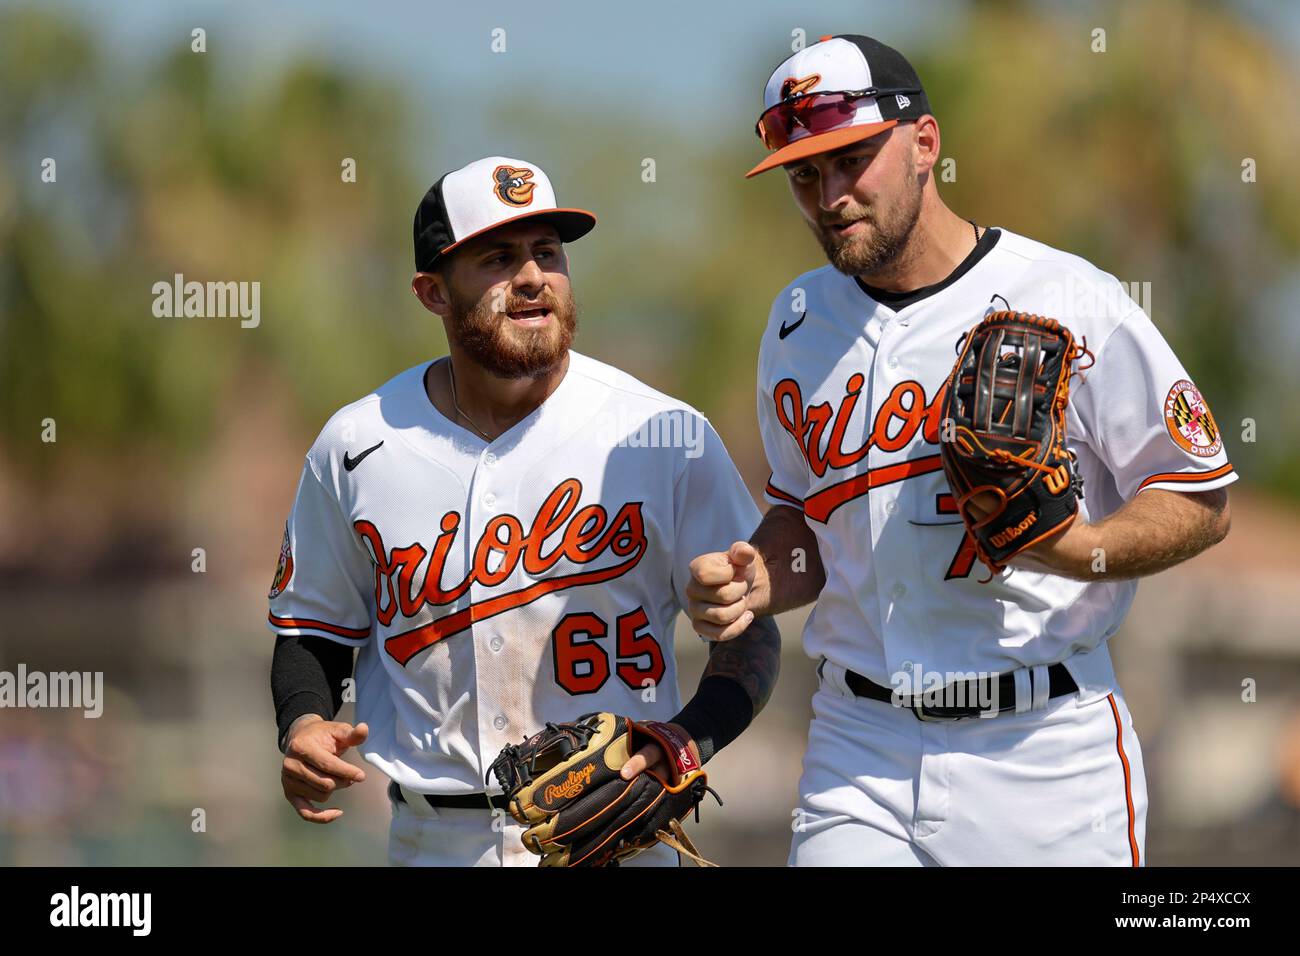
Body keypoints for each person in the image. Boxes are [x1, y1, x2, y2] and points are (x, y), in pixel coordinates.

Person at [686, 35, 1234, 866]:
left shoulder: (1068, 295)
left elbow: (1200, 495)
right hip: (857, 744)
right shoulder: (796, 323)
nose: (831, 193)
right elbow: (807, 519)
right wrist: (761, 577)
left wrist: (1081, 551)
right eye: (806, 173)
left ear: (925, 144)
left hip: (1042, 750)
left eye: (851, 158)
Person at [267, 156, 779, 866]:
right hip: (431, 842)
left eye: (548, 252)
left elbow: (753, 635)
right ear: (432, 293)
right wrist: (303, 723)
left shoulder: (664, 435)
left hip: (616, 833)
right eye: (498, 258)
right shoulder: (358, 445)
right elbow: (313, 629)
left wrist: (685, 744)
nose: (533, 275)